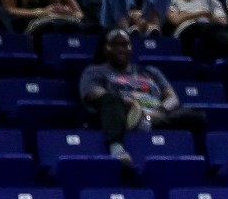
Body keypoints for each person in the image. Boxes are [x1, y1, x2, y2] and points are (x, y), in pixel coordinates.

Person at [78, 30, 205, 163]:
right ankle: (117, 149)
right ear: (105, 48)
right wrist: (127, 102)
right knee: (110, 100)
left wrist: (160, 111)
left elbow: (172, 97)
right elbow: (92, 93)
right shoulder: (94, 71)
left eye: (125, 44)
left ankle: (145, 125)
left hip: (151, 116)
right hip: (125, 115)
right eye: (116, 45)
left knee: (196, 115)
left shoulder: (150, 71)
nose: (121, 49)